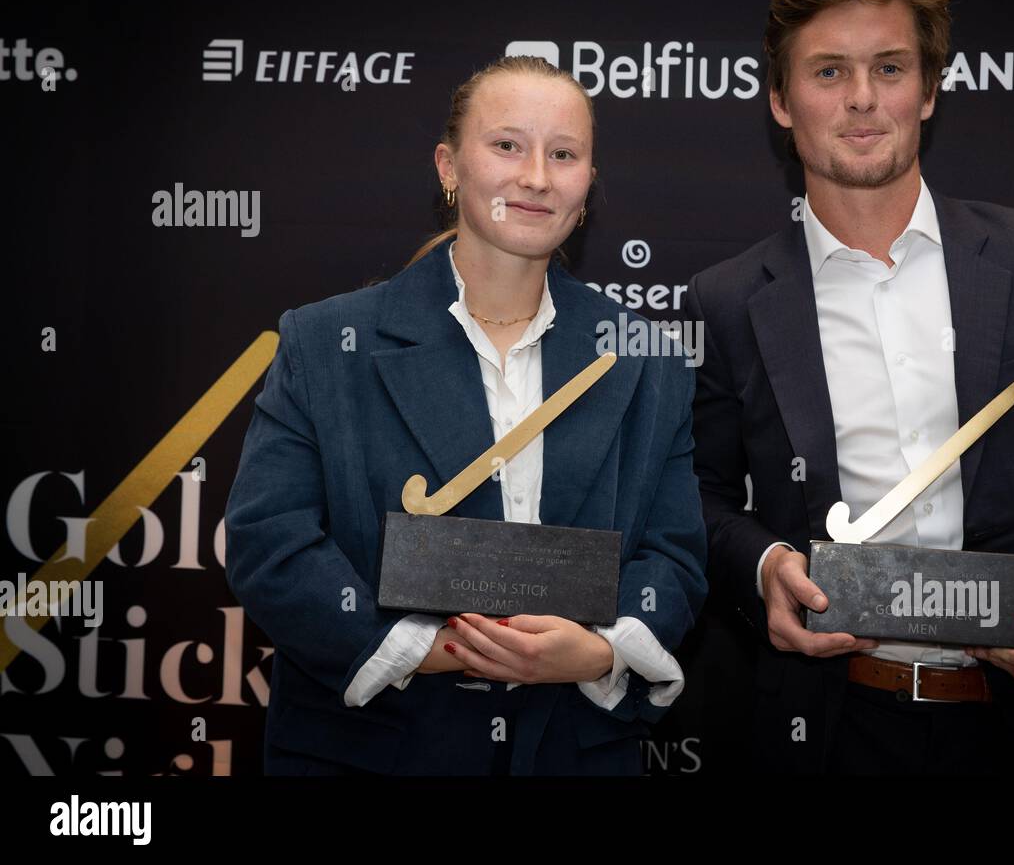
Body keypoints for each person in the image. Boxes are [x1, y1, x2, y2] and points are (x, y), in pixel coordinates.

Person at [684, 0, 1014, 774]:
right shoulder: (726, 300)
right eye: (829, 72)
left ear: (930, 89)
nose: (862, 98)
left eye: (890, 68)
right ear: (780, 101)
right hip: (828, 727)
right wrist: (763, 566)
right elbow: (700, 493)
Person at [224, 54, 708, 775]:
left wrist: (599, 650)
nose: (537, 177)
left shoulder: (646, 358)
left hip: (572, 752)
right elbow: (269, 540)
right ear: (449, 167)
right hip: (369, 753)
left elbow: (674, 556)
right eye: (508, 145)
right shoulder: (324, 343)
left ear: (588, 185)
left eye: (564, 154)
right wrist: (429, 649)